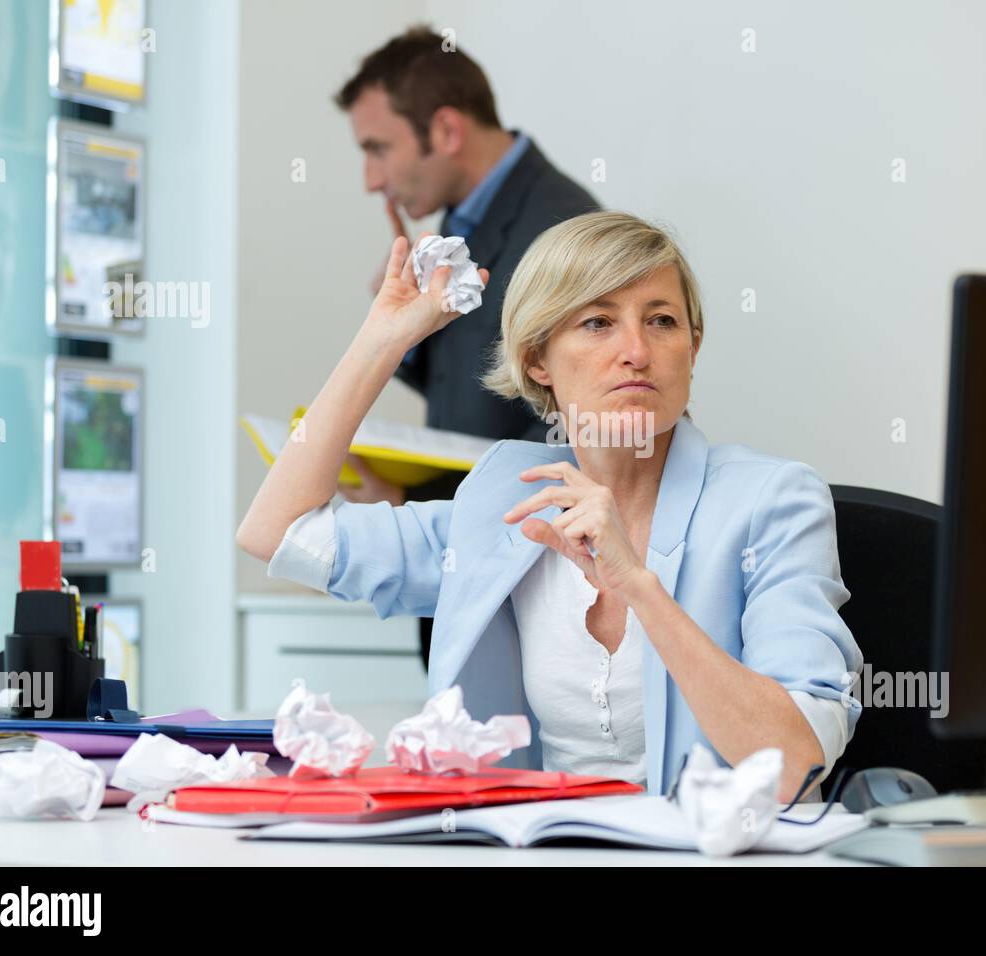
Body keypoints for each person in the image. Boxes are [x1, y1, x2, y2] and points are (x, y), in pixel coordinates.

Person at [237, 212, 862, 800]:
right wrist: (382, 341)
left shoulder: (773, 502)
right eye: (597, 322)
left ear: (693, 348)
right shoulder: (503, 500)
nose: (637, 351)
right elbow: (280, 534)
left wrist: (639, 588)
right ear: (536, 360)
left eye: (663, 321)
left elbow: (794, 766)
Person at [334, 26, 600, 667]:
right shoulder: (459, 227)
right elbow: (490, 381)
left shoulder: (561, 232)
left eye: (378, 148)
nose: (372, 178)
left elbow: (577, 435)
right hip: (472, 570)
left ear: (447, 131)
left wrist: (422, 510)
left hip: (526, 592)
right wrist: (399, 329)